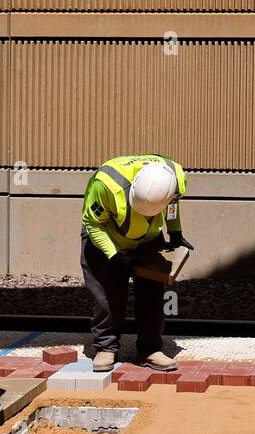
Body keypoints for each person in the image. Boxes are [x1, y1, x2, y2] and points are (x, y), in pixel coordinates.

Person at [81, 154, 192, 372]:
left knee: (152, 291)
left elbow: (172, 203)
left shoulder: (176, 176)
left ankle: (150, 350)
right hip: (106, 235)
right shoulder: (105, 184)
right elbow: (93, 223)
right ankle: (106, 348)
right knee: (107, 294)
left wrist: (175, 230)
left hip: (149, 237)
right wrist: (114, 256)